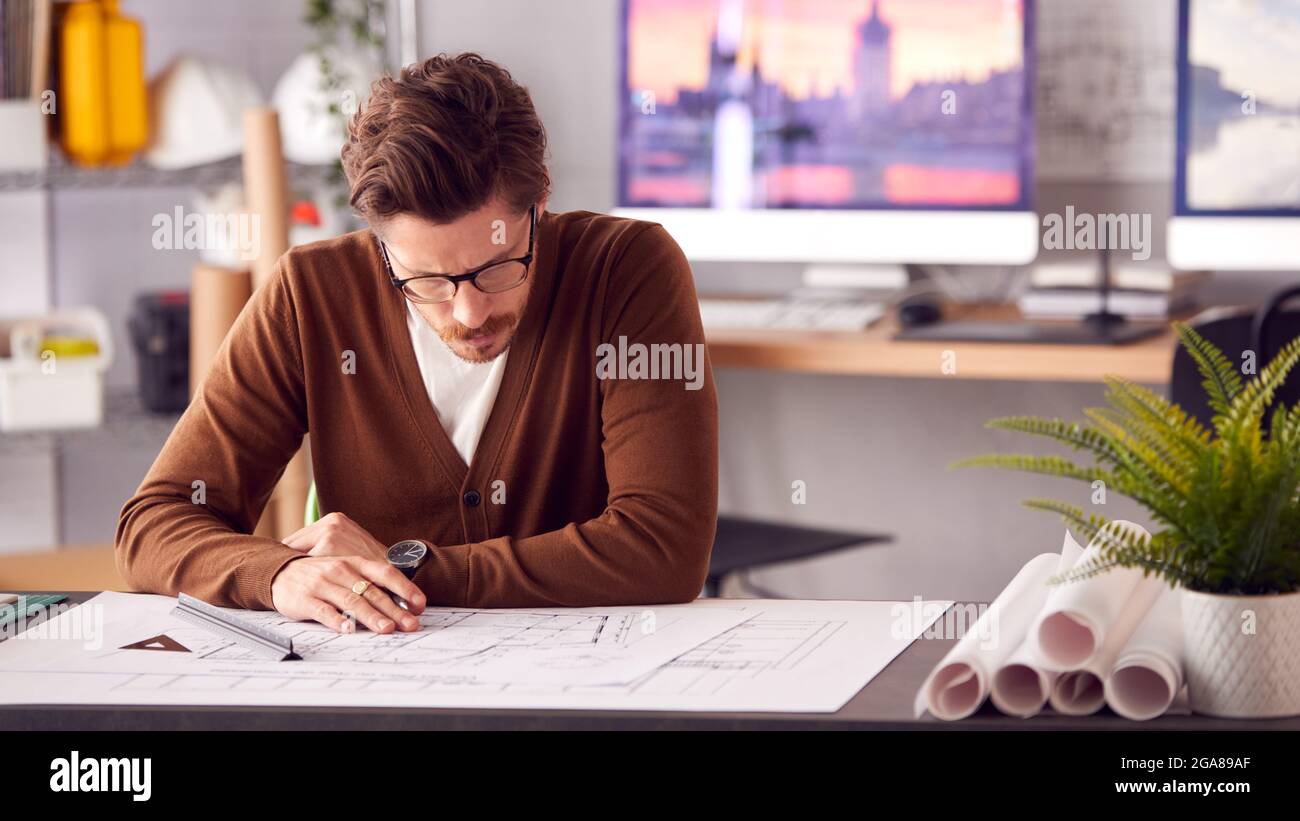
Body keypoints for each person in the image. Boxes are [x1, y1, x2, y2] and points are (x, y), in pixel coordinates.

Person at [116, 53, 718, 634]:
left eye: (498, 266)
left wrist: (403, 565)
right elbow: (154, 525)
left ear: (540, 204)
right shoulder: (311, 295)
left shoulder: (626, 270)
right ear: (379, 244)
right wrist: (280, 574)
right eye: (426, 280)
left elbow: (662, 547)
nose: (468, 311)